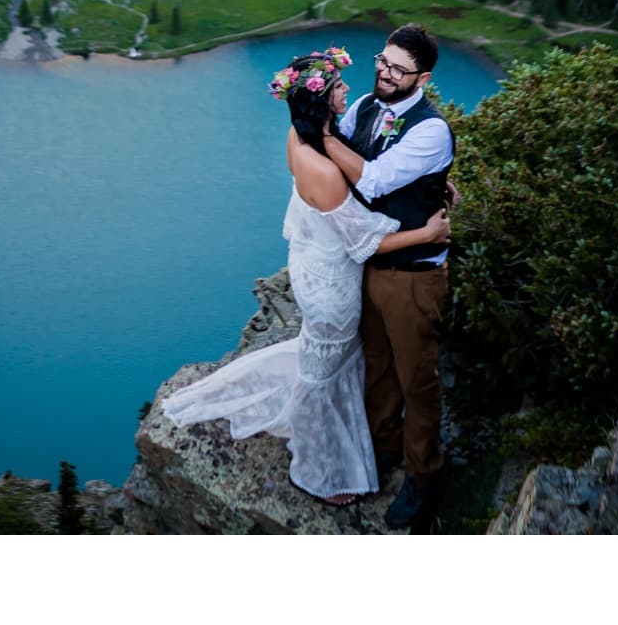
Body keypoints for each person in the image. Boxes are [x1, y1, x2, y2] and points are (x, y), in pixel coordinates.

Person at [163, 47, 451, 508]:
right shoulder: (324, 165)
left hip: (314, 264)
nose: (349, 89)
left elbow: (367, 170)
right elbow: (366, 242)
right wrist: (429, 230)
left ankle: (372, 449)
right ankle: (318, 469)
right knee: (323, 374)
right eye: (339, 86)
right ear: (321, 101)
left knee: (331, 364)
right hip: (334, 281)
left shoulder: (302, 140)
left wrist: (429, 182)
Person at [324, 24, 455, 529]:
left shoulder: (431, 129)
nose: (385, 73)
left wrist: (319, 133)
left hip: (413, 275)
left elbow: (374, 181)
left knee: (416, 378)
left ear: (421, 77)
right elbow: (352, 163)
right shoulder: (364, 106)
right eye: (382, 61)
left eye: (398, 69)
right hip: (368, 264)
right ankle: (379, 454)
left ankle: (425, 476)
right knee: (376, 367)